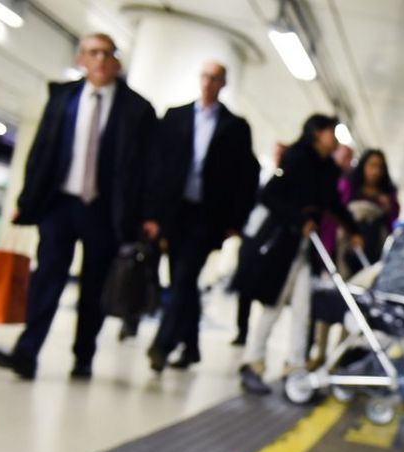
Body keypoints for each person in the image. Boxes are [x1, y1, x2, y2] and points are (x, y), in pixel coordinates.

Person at [0, 33, 159, 380]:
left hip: (105, 211)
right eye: (93, 53)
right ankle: (27, 353)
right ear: (81, 59)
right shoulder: (63, 97)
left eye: (107, 54)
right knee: (46, 278)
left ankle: (83, 356)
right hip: (59, 206)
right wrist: (27, 201)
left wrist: (147, 215)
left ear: (117, 62)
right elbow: (41, 152)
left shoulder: (138, 110)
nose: (100, 60)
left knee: (95, 287)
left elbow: (148, 169)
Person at [236, 114, 362, 395]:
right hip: (284, 245)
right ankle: (252, 362)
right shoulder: (297, 157)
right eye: (333, 133)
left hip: (307, 250)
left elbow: (333, 204)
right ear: (318, 133)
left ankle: (296, 367)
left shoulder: (328, 169)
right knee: (274, 304)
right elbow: (270, 195)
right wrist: (298, 219)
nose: (336, 139)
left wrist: (352, 230)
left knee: (304, 310)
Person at [146, 62, 259, 372]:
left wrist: (236, 222)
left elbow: (246, 178)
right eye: (206, 76)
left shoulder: (235, 127)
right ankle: (192, 346)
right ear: (200, 80)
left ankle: (162, 344)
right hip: (174, 213)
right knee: (183, 281)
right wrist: (152, 214)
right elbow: (157, 167)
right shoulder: (175, 117)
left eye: (216, 78)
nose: (209, 83)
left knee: (183, 276)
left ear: (223, 83)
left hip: (207, 217)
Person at [231, 141, 287, 347]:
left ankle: (256, 338)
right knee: (244, 286)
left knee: (260, 287)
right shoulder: (265, 175)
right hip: (252, 234)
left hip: (269, 239)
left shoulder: (283, 183)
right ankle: (242, 330)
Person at [338, 149, 400, 272]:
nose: (376, 171)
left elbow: (392, 221)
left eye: (380, 167)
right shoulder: (349, 185)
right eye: (372, 165)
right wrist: (352, 232)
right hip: (349, 240)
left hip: (375, 245)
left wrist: (388, 208)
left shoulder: (387, 193)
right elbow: (338, 210)